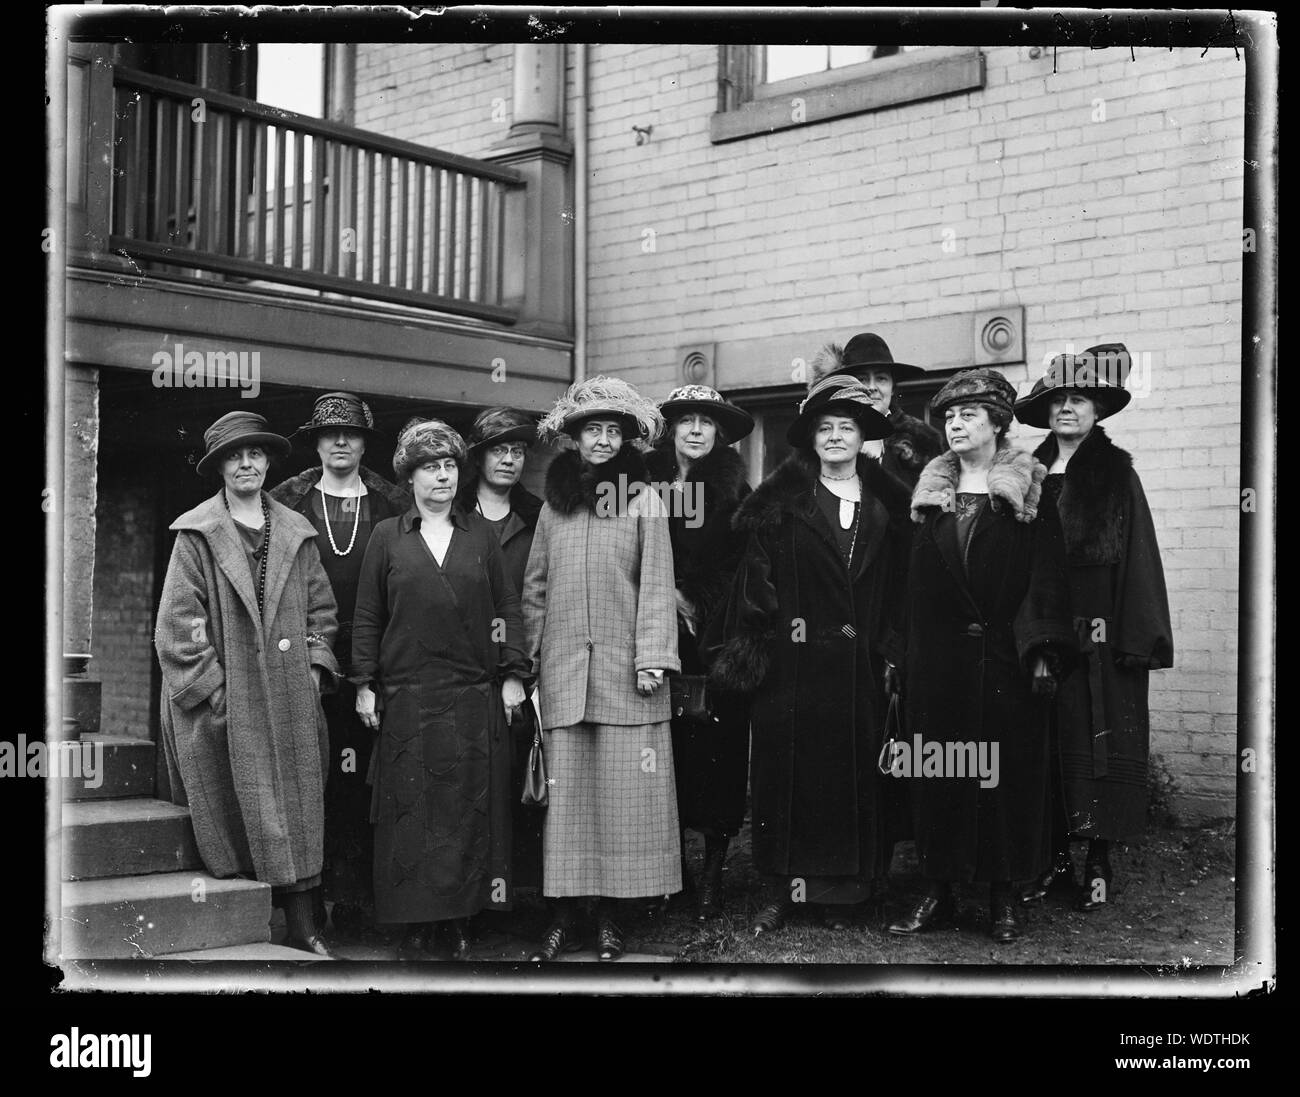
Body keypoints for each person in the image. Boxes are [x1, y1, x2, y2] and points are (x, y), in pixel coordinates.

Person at [707, 374, 911, 935]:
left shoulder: (888, 508)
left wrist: (891, 647)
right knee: (790, 778)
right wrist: (763, 643)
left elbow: (901, 587)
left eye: (847, 427)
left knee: (853, 777)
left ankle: (846, 894)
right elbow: (756, 581)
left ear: (863, 437)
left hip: (860, 668)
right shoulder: (784, 505)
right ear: (812, 439)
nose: (836, 437)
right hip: (793, 668)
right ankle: (784, 891)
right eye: (826, 429)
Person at [888, 369, 1075, 943]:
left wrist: (1042, 651)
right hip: (939, 667)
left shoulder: (1027, 491)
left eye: (968, 415)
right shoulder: (928, 497)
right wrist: (902, 657)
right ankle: (938, 890)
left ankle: (1003, 896)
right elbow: (909, 588)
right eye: (948, 416)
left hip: (1005, 665)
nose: (955, 424)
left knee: (1004, 781)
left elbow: (1047, 578)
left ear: (998, 424)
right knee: (940, 775)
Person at [155, 410, 340, 957]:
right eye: (234, 456)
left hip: (288, 696)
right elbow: (178, 626)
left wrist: (310, 673)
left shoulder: (297, 532)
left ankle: (305, 927)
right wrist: (214, 694)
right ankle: (246, 934)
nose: (246, 464)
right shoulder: (196, 535)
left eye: (255, 454)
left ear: (268, 462)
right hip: (228, 703)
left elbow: (322, 614)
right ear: (219, 467)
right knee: (240, 817)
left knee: (299, 809)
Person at [351, 419, 529, 960]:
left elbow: (507, 607)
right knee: (411, 813)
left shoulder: (480, 536)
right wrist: (364, 684)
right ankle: (416, 925)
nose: (443, 476)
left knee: (465, 812)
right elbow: (366, 617)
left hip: (472, 696)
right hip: (407, 699)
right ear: (410, 476)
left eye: (450, 465)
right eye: (431, 467)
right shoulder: (386, 536)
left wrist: (514, 674)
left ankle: (458, 921)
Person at [522, 376, 681, 962]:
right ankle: (564, 918)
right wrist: (530, 664)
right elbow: (534, 588)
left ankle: (612, 919)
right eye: (595, 430)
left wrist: (653, 659)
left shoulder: (644, 501)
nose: (604, 440)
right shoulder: (552, 508)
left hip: (625, 675)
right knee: (566, 807)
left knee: (623, 803)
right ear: (576, 438)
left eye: (615, 431)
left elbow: (658, 585)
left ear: (626, 440)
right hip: (563, 676)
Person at [1014, 344, 1173, 911]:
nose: (1067, 409)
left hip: (1101, 635)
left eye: (1078, 399)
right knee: (1047, 747)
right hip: (1041, 628)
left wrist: (1136, 638)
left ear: (1097, 412)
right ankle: (1054, 864)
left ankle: (1099, 863)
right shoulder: (1025, 476)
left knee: (1098, 745)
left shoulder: (1116, 475)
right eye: (1058, 399)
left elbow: (1139, 558)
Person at [270, 392, 409, 939]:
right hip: (311, 659)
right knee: (315, 780)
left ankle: (364, 903)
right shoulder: (285, 501)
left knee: (372, 781)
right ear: (317, 443)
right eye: (331, 435)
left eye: (351, 433)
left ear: (365, 441)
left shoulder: (394, 501)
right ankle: (312, 905)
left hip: (382, 658)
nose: (342, 442)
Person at [645, 385, 754, 921]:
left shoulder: (736, 488)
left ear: (719, 433)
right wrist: (662, 592)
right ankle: (674, 874)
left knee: (718, 754)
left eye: (705, 423)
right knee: (664, 756)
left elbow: (749, 565)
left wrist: (700, 597)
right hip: (652, 632)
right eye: (685, 420)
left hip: (716, 640)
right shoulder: (642, 480)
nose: (694, 430)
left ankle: (712, 873)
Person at [456, 407, 546, 896]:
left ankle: (516, 900)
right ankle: (468, 901)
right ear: (479, 457)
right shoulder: (452, 515)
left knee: (516, 785)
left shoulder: (538, 518)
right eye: (498, 450)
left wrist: (524, 668)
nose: (509, 459)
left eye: (517, 451)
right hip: (460, 669)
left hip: (518, 670)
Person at [811, 332, 942, 489]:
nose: (872, 387)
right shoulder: (824, 440)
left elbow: (942, 506)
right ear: (846, 387)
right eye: (862, 379)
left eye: (881, 378)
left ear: (893, 388)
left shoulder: (923, 440)